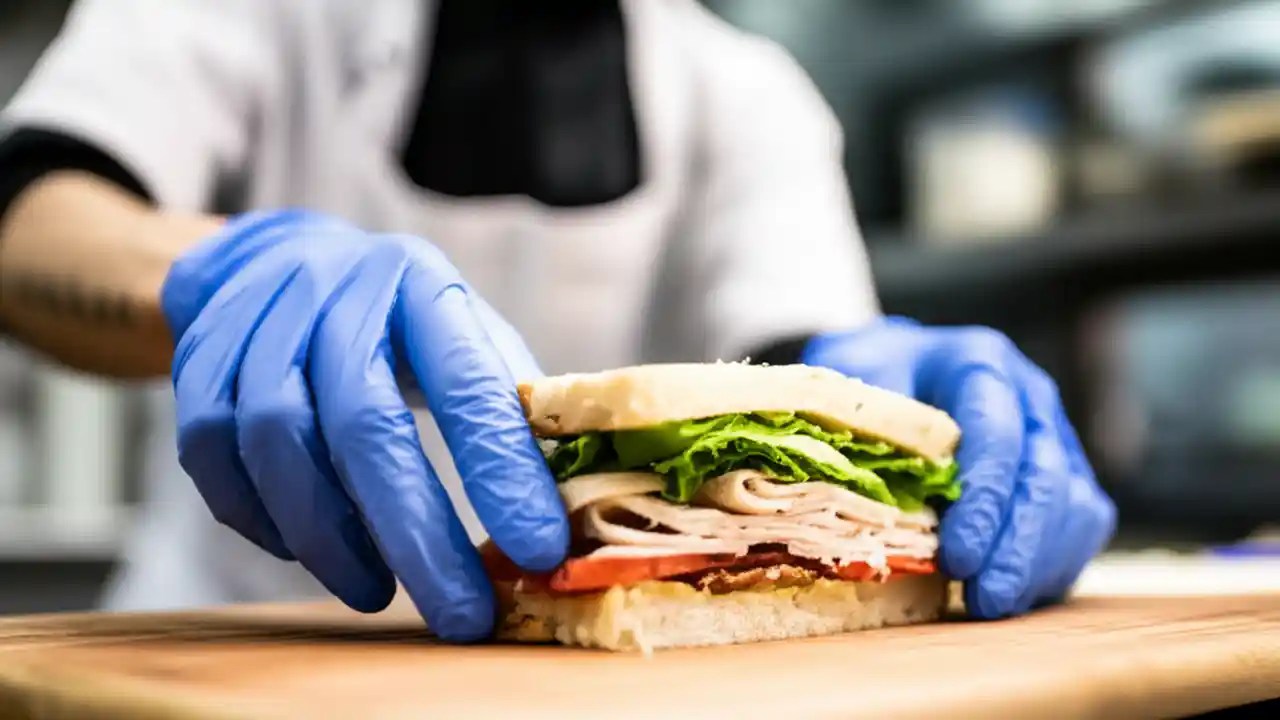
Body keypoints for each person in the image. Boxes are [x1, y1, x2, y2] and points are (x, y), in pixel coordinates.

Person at [0, 0, 1114, 641]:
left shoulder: (742, 88)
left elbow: (791, 347)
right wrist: (217, 273)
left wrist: (877, 395)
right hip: (225, 640)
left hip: (597, 687)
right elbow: (33, 212)